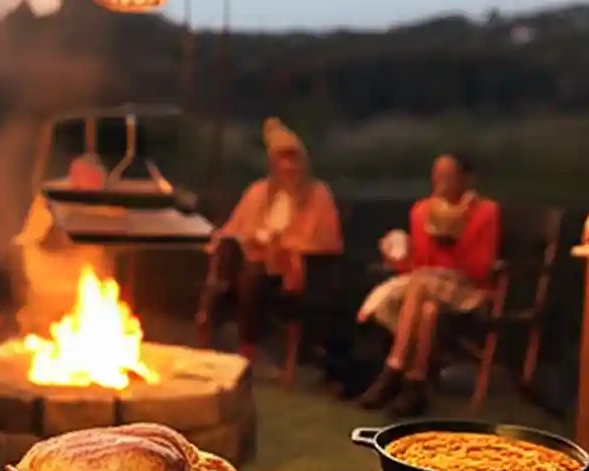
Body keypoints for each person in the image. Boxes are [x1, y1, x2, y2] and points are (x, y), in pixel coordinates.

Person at [356, 152, 501, 416]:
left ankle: (393, 368)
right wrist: (397, 253)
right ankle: (415, 383)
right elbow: (417, 264)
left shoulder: (484, 212)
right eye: (437, 175)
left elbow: (481, 268)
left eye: (448, 175)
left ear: (465, 179)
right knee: (428, 309)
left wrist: (456, 238)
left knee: (421, 284)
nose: (441, 181)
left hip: (467, 288)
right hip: (427, 288)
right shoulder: (422, 210)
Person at [196, 117, 343, 362]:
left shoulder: (318, 195)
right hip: (251, 260)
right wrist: (251, 240)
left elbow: (326, 241)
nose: (288, 167)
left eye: (293, 159)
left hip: (292, 273)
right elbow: (235, 229)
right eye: (282, 159)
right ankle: (214, 302)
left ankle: (247, 348)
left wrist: (282, 247)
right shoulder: (258, 191)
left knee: (252, 276)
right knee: (228, 251)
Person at [12, 154, 112, 333]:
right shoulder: (50, 201)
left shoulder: (104, 201)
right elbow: (48, 243)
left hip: (87, 294)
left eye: (97, 184)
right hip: (48, 293)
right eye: (89, 182)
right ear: (75, 176)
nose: (94, 188)